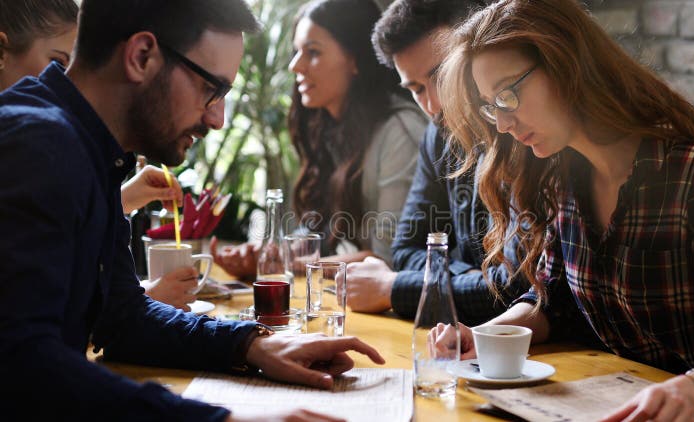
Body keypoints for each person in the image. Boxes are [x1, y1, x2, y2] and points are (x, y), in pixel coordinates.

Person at [0, 0, 384, 420]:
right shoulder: (38, 146)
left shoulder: (91, 151)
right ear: (141, 56)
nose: (218, 118)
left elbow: (123, 316)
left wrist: (253, 345)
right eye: (211, 89)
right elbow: (21, 363)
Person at [431, 0, 694, 418]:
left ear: (568, 64)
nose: (502, 123)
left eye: (508, 94)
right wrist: (485, 336)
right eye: (491, 105)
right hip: (628, 401)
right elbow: (555, 302)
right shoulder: (562, 175)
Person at [341, 0, 531, 326]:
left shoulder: (526, 132)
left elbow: (514, 288)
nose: (433, 104)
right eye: (416, 89)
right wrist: (464, 274)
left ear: (473, 48)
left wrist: (395, 288)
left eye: (442, 75)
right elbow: (404, 251)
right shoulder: (438, 136)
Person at [0, 0, 196, 310]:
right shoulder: (32, 141)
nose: (71, 81)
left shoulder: (71, 150)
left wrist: (122, 198)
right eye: (57, 64)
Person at [210, 0, 427, 279]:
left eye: (312, 52)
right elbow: (322, 232)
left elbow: (388, 259)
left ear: (354, 60)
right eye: (296, 51)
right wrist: (273, 252)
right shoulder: (328, 128)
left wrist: (289, 264)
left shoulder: (400, 132)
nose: (294, 66)